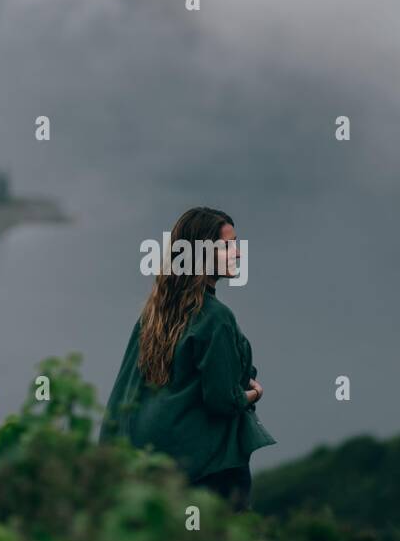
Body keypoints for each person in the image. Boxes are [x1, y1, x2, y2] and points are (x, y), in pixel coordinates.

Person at [100, 207, 274, 511]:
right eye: (227, 246)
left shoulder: (156, 313)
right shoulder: (216, 318)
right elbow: (221, 400)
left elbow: (131, 387)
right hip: (213, 469)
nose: (238, 254)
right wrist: (254, 394)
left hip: (162, 467)